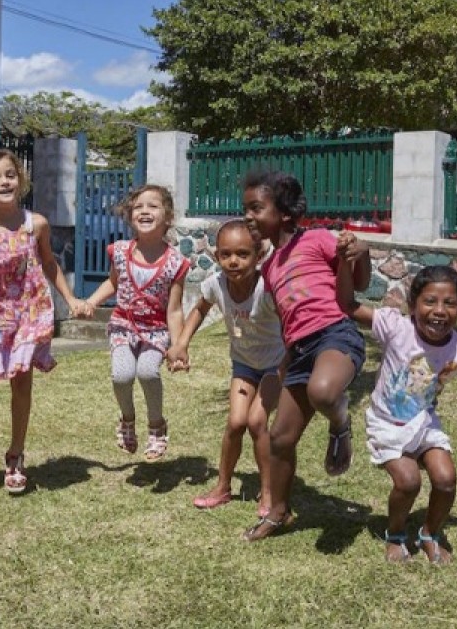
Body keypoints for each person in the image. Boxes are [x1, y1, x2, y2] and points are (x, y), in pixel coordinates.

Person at [336, 246, 457, 565]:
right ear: (413, 306)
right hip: (387, 424)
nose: (439, 311)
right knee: (408, 481)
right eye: (430, 301)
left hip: (424, 423)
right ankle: (396, 534)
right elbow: (347, 305)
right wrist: (346, 263)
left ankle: (429, 533)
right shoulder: (397, 328)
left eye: (449, 303)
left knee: (445, 480)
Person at [240, 171, 370, 542]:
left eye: (256, 208)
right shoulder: (270, 267)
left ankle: (340, 424)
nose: (248, 216)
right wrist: (284, 362)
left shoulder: (316, 239)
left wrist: (360, 252)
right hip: (299, 351)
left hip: (335, 334)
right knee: (279, 438)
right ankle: (279, 512)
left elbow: (358, 283)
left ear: (284, 212)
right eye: (245, 208)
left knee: (324, 392)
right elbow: (289, 318)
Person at [0, 149, 89, 496]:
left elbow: (49, 264)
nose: (4, 182)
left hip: (29, 314)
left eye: (10, 175)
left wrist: (71, 298)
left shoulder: (36, 224)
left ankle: (16, 455)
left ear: (21, 180)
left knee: (22, 385)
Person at [169, 219, 284, 518]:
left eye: (243, 254)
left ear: (259, 256)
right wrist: (182, 343)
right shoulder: (215, 284)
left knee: (257, 422)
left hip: (275, 365)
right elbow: (200, 309)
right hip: (244, 364)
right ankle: (223, 487)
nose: (233, 261)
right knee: (235, 423)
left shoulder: (267, 289)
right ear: (216, 255)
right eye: (226, 254)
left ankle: (269, 493)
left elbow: (291, 324)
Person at [83, 184, 190, 461]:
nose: (144, 211)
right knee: (122, 375)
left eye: (153, 206)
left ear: (168, 217)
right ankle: (127, 419)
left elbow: (174, 310)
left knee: (147, 372)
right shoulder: (120, 252)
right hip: (123, 325)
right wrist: (91, 302)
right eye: (138, 207)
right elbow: (112, 283)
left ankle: (156, 426)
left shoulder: (176, 262)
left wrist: (178, 346)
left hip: (156, 331)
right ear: (130, 216)